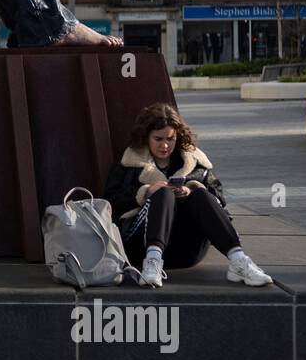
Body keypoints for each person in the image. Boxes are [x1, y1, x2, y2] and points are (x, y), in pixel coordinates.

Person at [103, 102, 272, 288]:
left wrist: (191, 189)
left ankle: (239, 260)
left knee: (200, 193)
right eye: (158, 139)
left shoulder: (194, 162)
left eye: (170, 138)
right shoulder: (128, 164)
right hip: (141, 247)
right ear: (146, 138)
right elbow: (111, 201)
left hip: (189, 250)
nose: (165, 145)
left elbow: (219, 197)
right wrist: (145, 192)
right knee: (163, 193)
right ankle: (152, 263)